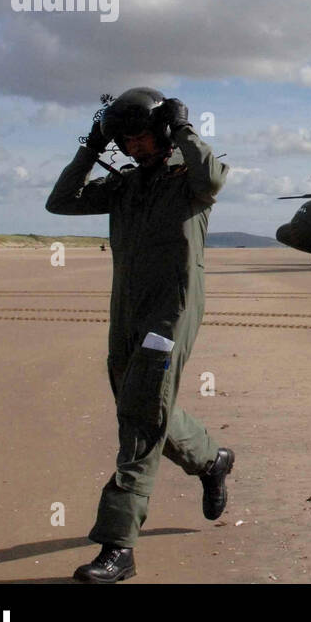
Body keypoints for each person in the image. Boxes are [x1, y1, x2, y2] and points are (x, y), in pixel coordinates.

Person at [46, 87, 234, 583]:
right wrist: (90, 147)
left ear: (162, 132)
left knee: (138, 421)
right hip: (126, 316)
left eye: (142, 137)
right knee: (144, 407)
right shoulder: (125, 186)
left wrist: (185, 128)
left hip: (169, 316)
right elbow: (60, 202)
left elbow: (213, 178)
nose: (134, 148)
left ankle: (118, 545)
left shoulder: (187, 181)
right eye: (125, 141)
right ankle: (211, 459)